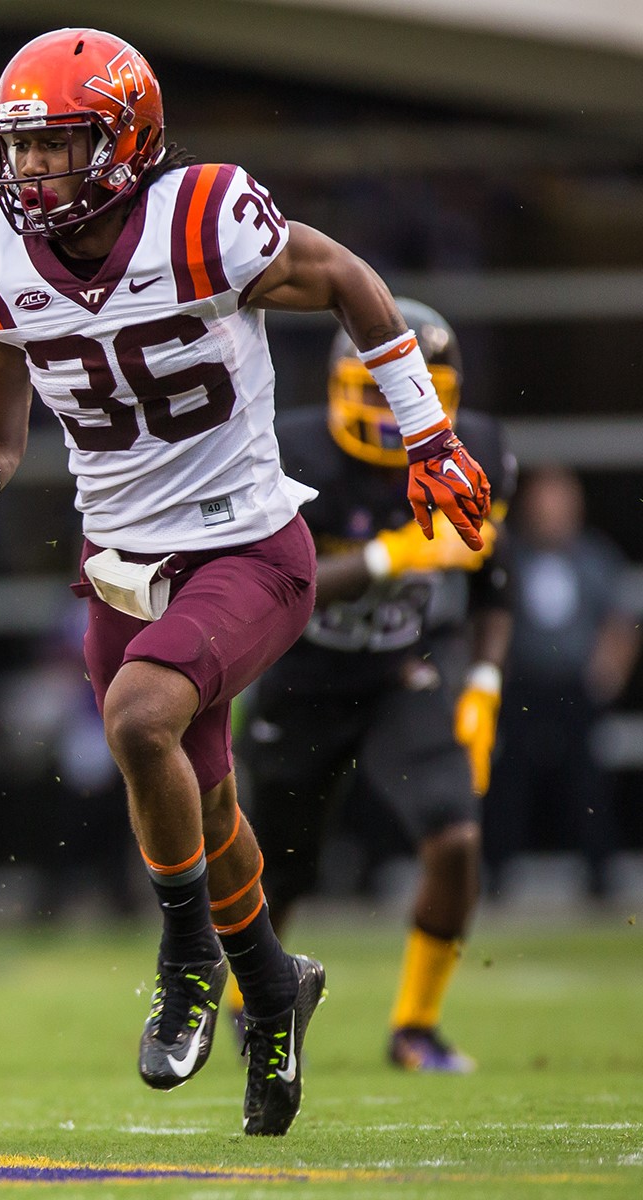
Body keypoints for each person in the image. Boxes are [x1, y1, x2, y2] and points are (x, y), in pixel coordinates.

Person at [0, 29, 491, 1136]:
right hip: (118, 562)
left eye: (60, 148)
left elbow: (353, 282)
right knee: (206, 806)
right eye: (20, 152)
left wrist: (427, 436)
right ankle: (273, 986)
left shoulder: (203, 218)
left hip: (248, 548)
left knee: (136, 720)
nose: (34, 174)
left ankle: (185, 958)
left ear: (125, 143)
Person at [237, 300, 515, 1073]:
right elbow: (276, 586)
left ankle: (415, 1028)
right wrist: (392, 557)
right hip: (303, 675)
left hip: (404, 671)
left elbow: (494, 583)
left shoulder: (478, 450)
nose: (396, 412)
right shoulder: (289, 452)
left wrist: (485, 681)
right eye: (381, 387)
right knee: (279, 869)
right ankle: (249, 1000)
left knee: (455, 835)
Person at [483, 465, 641, 901]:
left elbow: (621, 620)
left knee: (586, 782)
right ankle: (494, 873)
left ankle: (601, 875)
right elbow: (488, 613)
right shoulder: (510, 554)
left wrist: (607, 673)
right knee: (509, 781)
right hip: (523, 687)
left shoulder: (595, 557)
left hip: (575, 690)